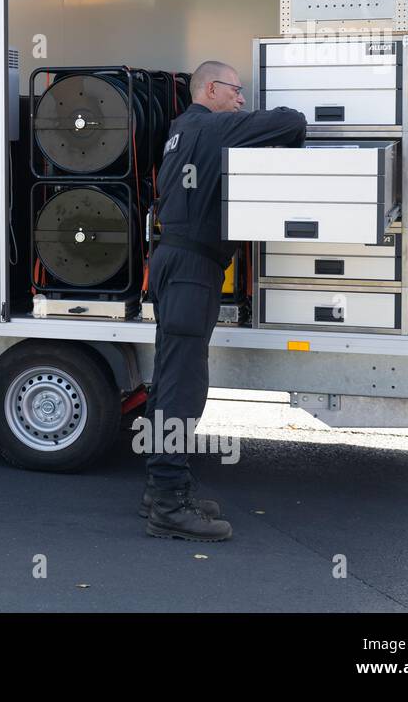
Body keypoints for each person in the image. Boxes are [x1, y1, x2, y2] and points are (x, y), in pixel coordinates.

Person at [143, 60, 306, 541]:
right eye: (236, 91)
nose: (241, 99)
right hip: (192, 270)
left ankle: (162, 490)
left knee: (167, 382)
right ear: (211, 89)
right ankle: (169, 506)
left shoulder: (180, 131)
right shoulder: (212, 128)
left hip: (174, 263)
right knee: (182, 388)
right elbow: (292, 121)